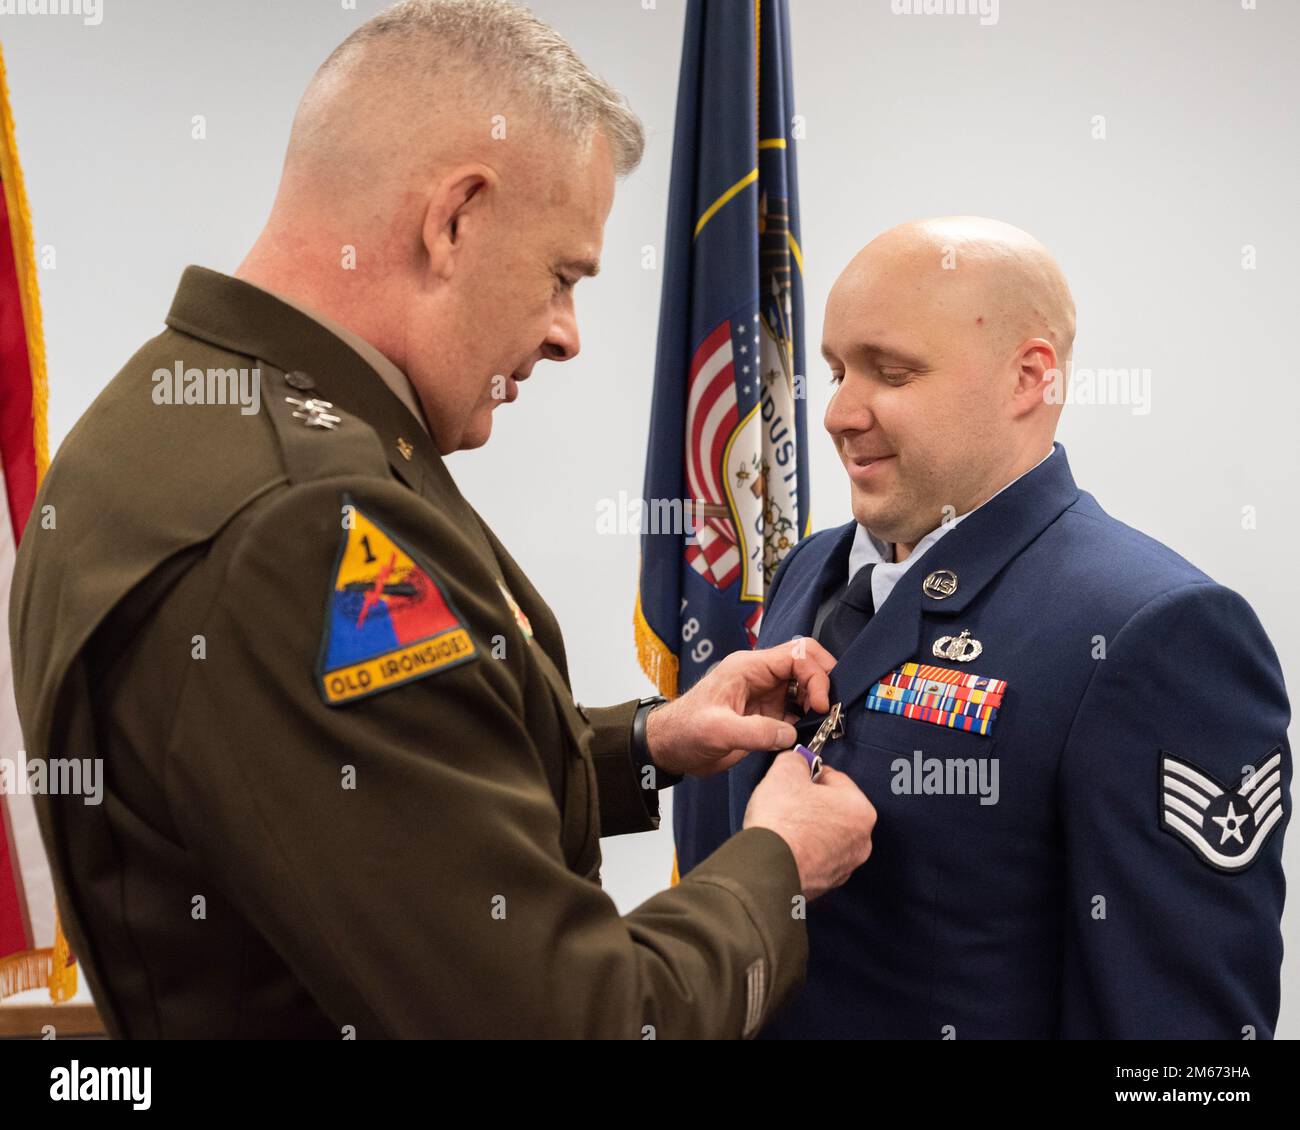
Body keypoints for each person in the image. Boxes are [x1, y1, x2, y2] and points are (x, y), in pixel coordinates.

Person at [7, 0, 876, 1039]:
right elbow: (573, 1022)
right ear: (453, 217)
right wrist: (773, 860)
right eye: (563, 275)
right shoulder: (304, 524)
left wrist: (649, 742)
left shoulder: (168, 406)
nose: (567, 336)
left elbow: (356, 806)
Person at [706, 216, 1290, 1039]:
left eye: (893, 373)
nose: (837, 413)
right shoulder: (813, 569)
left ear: (1028, 379)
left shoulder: (1152, 629)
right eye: (837, 370)